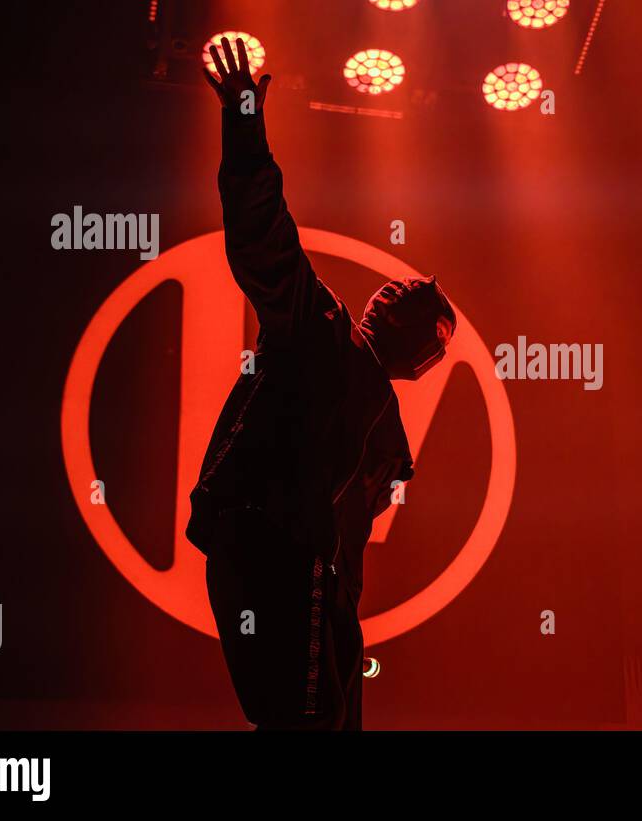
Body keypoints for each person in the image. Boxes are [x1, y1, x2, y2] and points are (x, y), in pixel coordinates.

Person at [188, 38, 457, 730]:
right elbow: (263, 240)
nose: (431, 355)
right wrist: (244, 120)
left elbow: (350, 542)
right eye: (432, 338)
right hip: (282, 549)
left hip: (308, 572)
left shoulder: (381, 423)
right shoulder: (322, 332)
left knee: (325, 719)